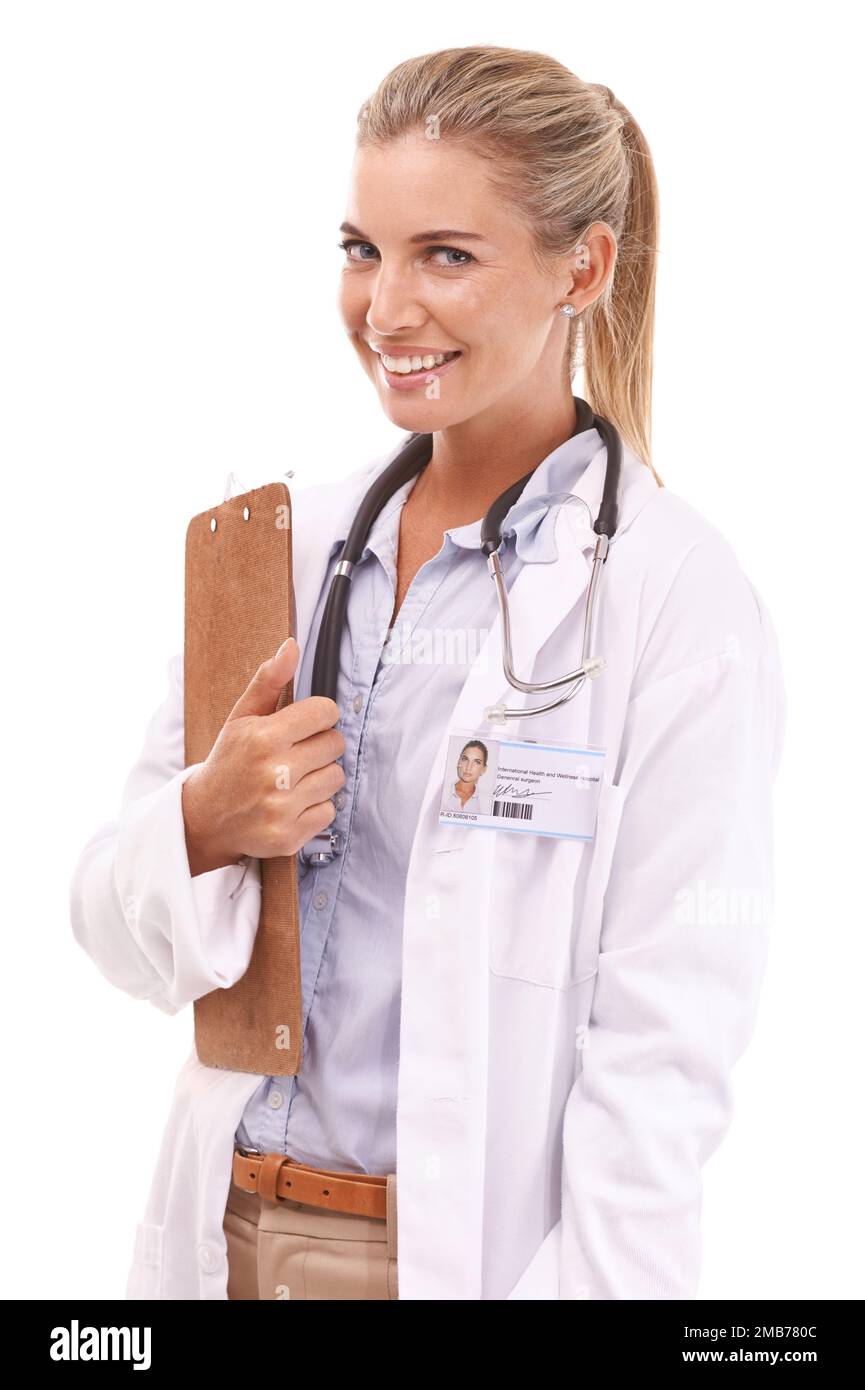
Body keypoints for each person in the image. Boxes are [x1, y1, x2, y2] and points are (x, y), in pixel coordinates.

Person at [69, 44, 786, 1300]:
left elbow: (659, 1080)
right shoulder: (270, 549)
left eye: (445, 255)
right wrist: (205, 817)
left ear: (586, 266)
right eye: (363, 250)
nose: (385, 307)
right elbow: (112, 933)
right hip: (219, 1238)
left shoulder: (674, 601)